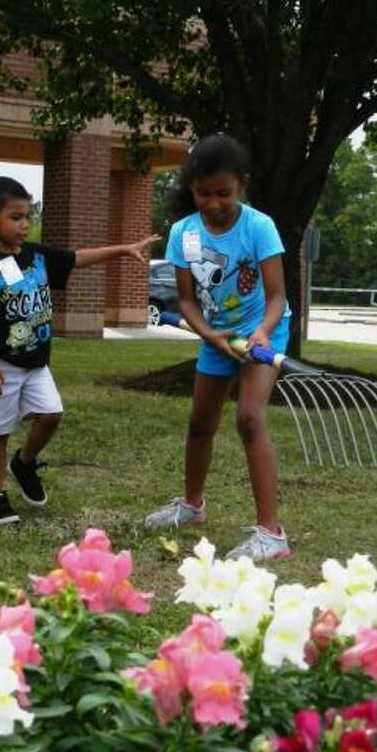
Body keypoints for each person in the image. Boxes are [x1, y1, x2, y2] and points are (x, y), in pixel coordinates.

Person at [0, 176, 159, 524]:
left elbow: (77, 258)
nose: (25, 224)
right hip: (0, 363)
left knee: (52, 414)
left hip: (36, 363)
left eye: (27, 216)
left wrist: (122, 249)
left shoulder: (36, 256)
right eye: (15, 217)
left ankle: (25, 463)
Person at [143, 133, 292, 562]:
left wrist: (262, 332)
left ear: (241, 186)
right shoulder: (183, 233)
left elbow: (277, 294)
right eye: (203, 193)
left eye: (223, 193)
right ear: (191, 189)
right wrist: (210, 336)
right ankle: (192, 506)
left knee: (248, 419)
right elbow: (187, 301)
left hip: (264, 330)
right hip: (217, 335)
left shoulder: (259, 226)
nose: (212, 203)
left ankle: (271, 534)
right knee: (199, 424)